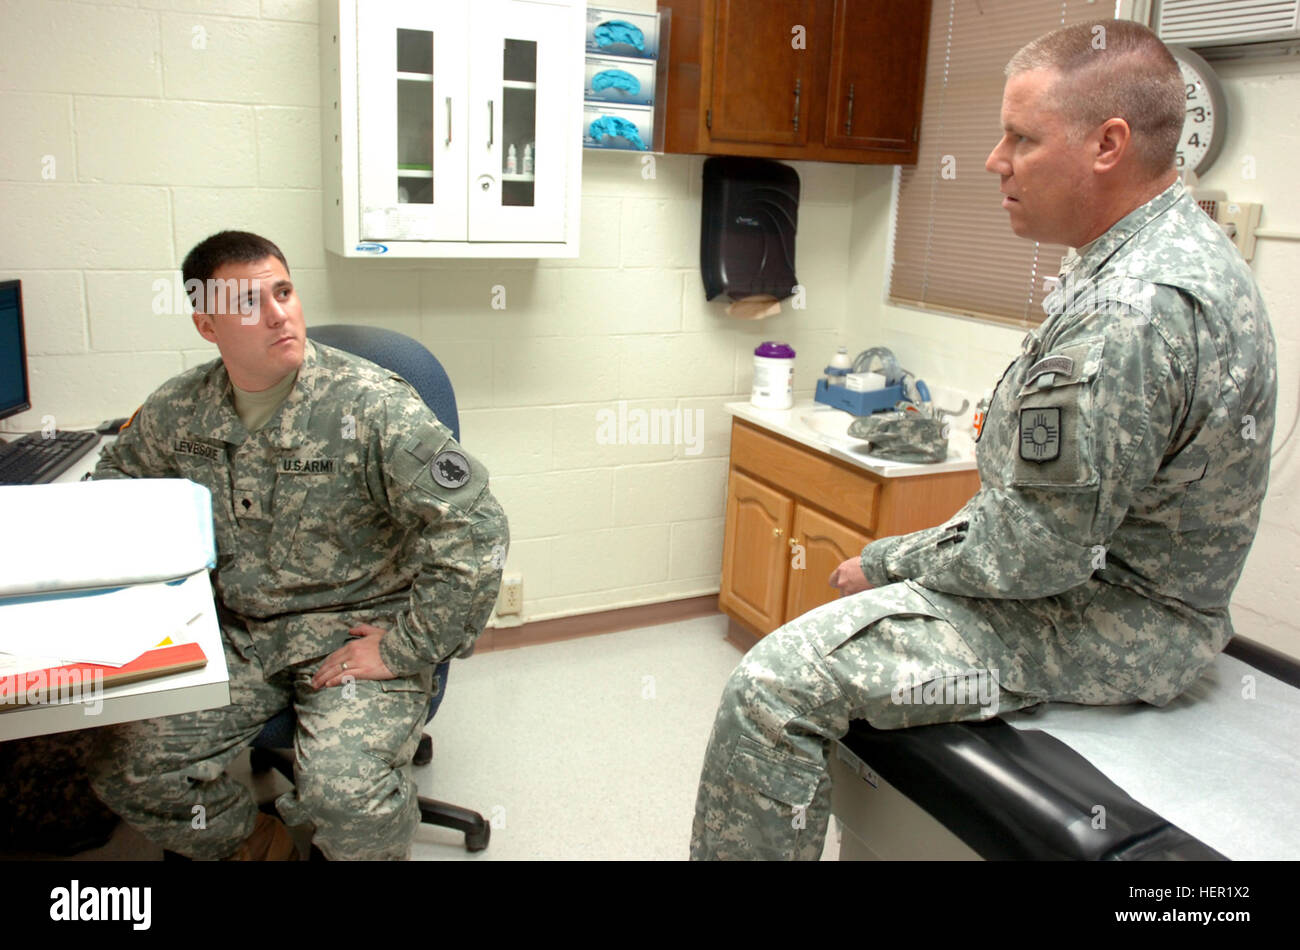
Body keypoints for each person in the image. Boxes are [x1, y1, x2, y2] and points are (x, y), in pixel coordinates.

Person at [691, 19, 1278, 860]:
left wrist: (889, 561)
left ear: (1108, 144)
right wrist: (903, 560)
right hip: (1109, 587)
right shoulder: (1169, 256)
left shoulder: (1130, 309)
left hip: (1125, 625)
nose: (996, 160)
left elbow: (1033, 553)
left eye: (1021, 138)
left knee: (776, 684)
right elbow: (1034, 517)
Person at [88, 231, 508, 860]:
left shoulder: (370, 404)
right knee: (128, 767)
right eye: (249, 302)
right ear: (208, 325)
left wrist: (406, 647)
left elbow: (475, 525)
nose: (279, 313)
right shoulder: (180, 409)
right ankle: (261, 844)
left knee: (346, 794)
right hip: (238, 635)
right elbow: (114, 486)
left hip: (352, 634)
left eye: (283, 291)